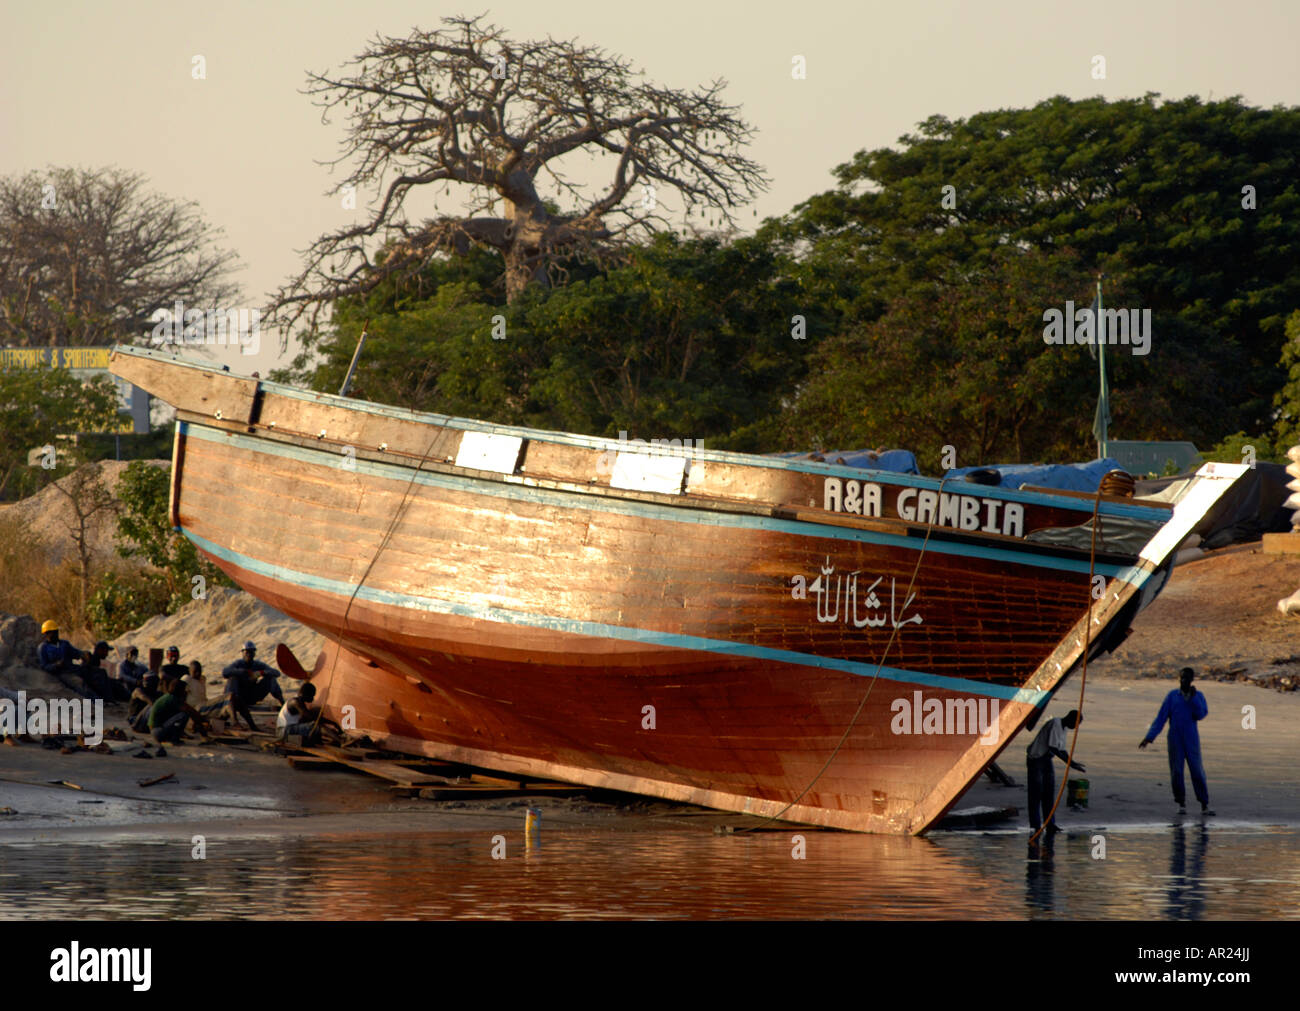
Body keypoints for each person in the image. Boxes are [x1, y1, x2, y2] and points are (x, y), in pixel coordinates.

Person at [1140, 667, 1213, 816]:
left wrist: (1192, 699)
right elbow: (1161, 718)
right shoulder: (1172, 696)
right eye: (1182, 678)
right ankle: (1181, 803)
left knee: (1197, 771)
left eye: (1187, 678)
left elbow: (1200, 714)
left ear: (1192, 680)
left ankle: (1204, 804)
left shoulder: (1198, 696)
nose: (1184, 680)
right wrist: (1149, 737)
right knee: (1176, 772)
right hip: (1175, 738)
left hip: (1191, 737)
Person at [1025, 709, 1085, 835]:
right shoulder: (1055, 723)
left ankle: (1050, 824)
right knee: (1036, 794)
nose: (1076, 727)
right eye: (1076, 724)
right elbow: (1053, 747)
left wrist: (1073, 763)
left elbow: (1061, 750)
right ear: (1071, 718)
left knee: (1048, 793)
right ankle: (1035, 826)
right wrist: (1069, 763)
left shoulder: (1063, 729)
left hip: (1047, 759)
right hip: (1036, 759)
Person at [220, 641, 284, 732]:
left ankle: (283, 704)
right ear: (242, 653)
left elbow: (276, 673)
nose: (249, 655)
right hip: (238, 697)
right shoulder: (238, 664)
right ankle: (230, 708)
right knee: (232, 678)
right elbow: (225, 672)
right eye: (247, 652)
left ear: (254, 653)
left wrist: (262, 673)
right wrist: (242, 672)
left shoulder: (257, 665)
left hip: (252, 695)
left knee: (271, 679)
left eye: (251, 652)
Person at [37, 621, 107, 700]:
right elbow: (44, 666)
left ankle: (108, 697)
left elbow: (75, 653)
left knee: (97, 673)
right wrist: (56, 665)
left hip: (72, 668)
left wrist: (83, 654)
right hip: (61, 673)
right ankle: (97, 701)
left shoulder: (64, 644)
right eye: (52, 632)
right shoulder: (43, 648)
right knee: (79, 682)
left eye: (56, 632)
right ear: (47, 634)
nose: (55, 634)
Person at [147, 681, 209, 746]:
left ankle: (174, 738)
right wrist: (204, 723)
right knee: (183, 715)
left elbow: (191, 710)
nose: (186, 692)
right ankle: (173, 739)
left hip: (156, 731)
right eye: (184, 690)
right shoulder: (173, 699)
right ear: (180, 690)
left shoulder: (169, 697)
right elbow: (191, 712)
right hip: (158, 732)